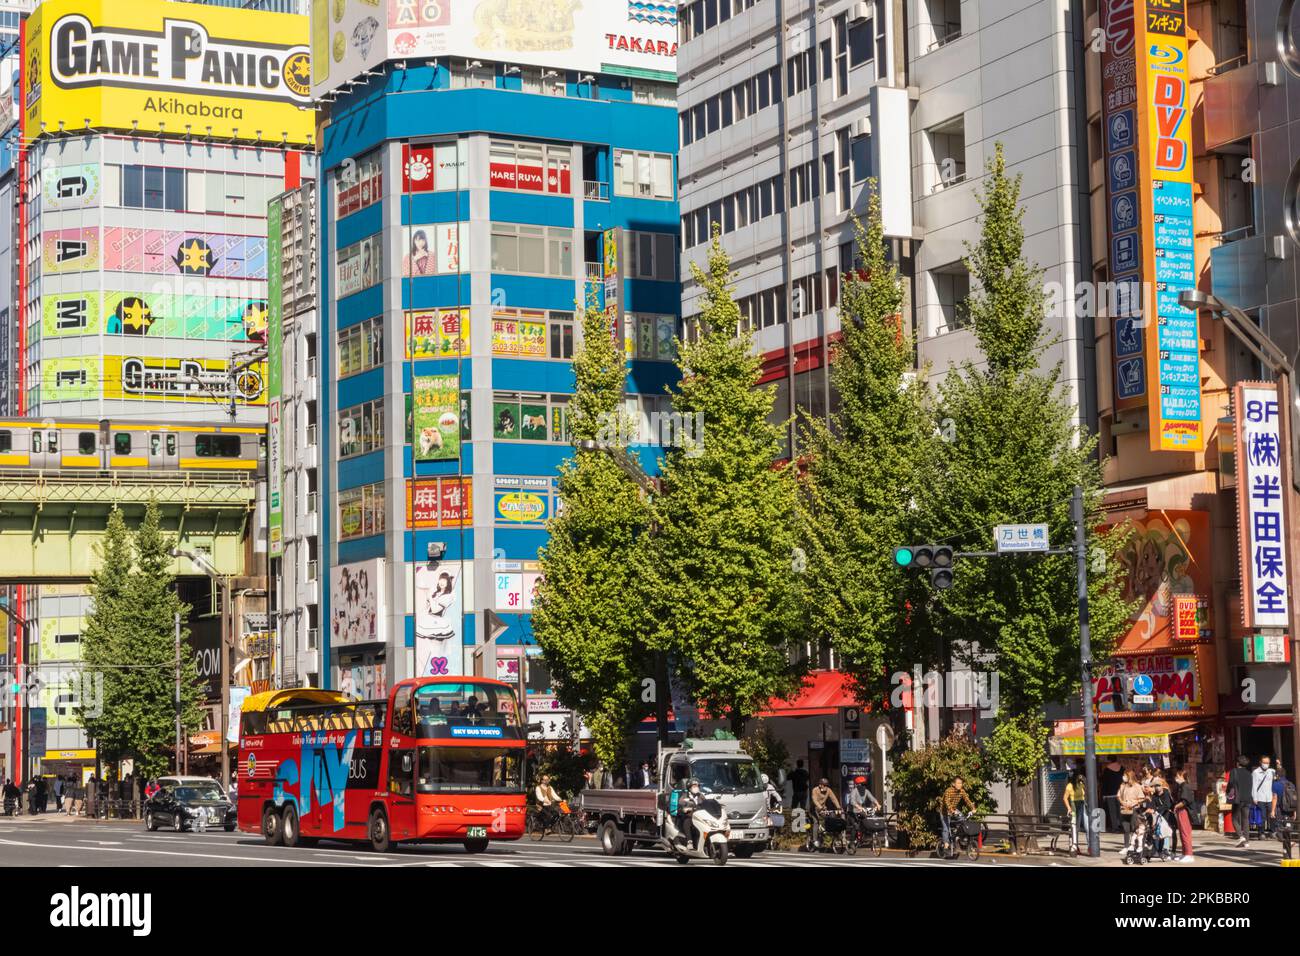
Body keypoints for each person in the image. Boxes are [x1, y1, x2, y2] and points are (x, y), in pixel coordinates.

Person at [940, 776, 976, 853]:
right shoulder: (948, 791)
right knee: (946, 829)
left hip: (954, 810)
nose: (960, 785)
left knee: (963, 820)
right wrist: (952, 811)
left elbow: (967, 800)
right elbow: (947, 802)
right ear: (953, 784)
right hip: (945, 812)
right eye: (958, 783)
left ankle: (957, 836)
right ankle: (946, 845)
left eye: (961, 783)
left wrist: (973, 808)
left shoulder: (962, 791)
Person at [1171, 767, 1197, 862]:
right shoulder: (1181, 786)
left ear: (1182, 776)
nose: (1176, 777)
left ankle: (1189, 854)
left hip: (1184, 811)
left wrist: (1176, 806)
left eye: (1178, 776)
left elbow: (1185, 801)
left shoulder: (1185, 786)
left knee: (1185, 833)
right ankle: (1184, 853)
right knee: (1182, 833)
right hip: (1180, 811)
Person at [1228, 754, 1254, 848]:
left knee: (1234, 818)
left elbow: (1230, 784)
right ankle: (1247, 841)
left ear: (1238, 763)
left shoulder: (1234, 771)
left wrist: (1227, 792)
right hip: (1248, 798)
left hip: (1238, 799)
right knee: (1245, 819)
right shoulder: (1249, 773)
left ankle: (1241, 836)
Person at [1117, 770, 1145, 856]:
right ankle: (1126, 846)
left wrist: (1134, 803)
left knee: (1135, 828)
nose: (1123, 777)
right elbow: (1118, 795)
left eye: (1125, 775)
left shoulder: (1137, 786)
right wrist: (1122, 802)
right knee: (1126, 829)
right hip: (1124, 809)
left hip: (1134, 810)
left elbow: (1142, 798)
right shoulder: (1122, 785)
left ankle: (1136, 846)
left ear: (1130, 776)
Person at [809, 777, 841, 850]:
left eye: (826, 785)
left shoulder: (828, 790)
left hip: (823, 809)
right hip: (814, 809)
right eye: (824, 785)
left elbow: (834, 799)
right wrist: (820, 808)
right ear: (820, 785)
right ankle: (814, 840)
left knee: (831, 818)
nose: (826, 787)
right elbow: (814, 800)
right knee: (816, 822)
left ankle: (833, 837)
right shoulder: (815, 790)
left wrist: (839, 807)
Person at [1252, 755, 1276, 840]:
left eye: (1267, 763)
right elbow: (1254, 786)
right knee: (1261, 816)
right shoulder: (1255, 772)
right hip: (1260, 797)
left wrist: (1279, 765)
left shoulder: (1272, 771)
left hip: (1270, 797)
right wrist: (1254, 797)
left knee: (1272, 815)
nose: (1266, 764)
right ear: (1260, 762)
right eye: (1264, 762)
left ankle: (1273, 832)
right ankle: (1261, 833)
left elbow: (1277, 777)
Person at [1063, 771, 1087, 853]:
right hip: (1074, 805)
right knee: (1075, 827)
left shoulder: (1081, 784)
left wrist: (1084, 783)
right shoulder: (1070, 786)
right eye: (1079, 776)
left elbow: (1085, 793)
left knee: (1080, 827)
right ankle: (1074, 845)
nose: (1080, 778)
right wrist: (1069, 808)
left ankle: (1076, 845)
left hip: (1081, 804)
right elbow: (1065, 798)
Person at [1100, 758, 1124, 833]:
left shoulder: (1106, 770)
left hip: (1109, 793)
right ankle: (1122, 825)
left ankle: (1115, 827)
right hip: (1120, 793)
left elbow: (1104, 782)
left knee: (1112, 811)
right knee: (1120, 810)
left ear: (1109, 760)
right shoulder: (1122, 768)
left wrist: (1103, 794)